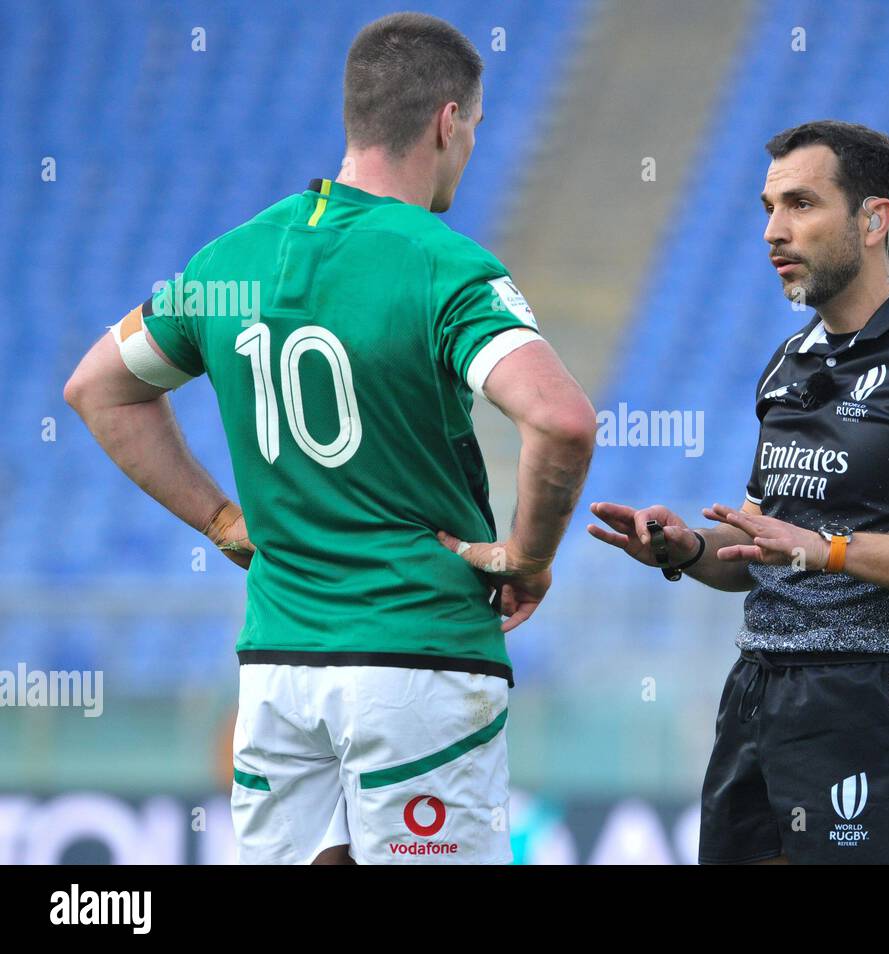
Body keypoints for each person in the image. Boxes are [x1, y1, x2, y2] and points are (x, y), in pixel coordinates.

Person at [64, 12, 595, 865]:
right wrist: (528, 557)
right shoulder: (442, 264)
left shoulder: (227, 262)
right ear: (447, 122)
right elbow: (562, 419)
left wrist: (220, 523)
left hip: (278, 663)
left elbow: (97, 389)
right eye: (476, 130)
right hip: (417, 656)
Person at [589, 120, 889, 864]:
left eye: (800, 204)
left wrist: (827, 551)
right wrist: (689, 548)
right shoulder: (788, 362)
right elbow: (767, 544)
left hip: (876, 701)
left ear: (874, 218)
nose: (773, 232)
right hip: (757, 692)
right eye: (767, 208)